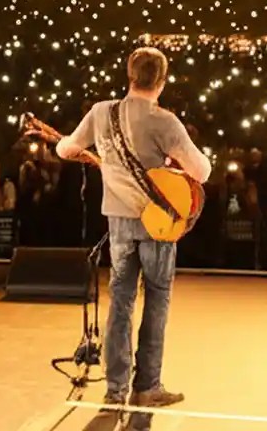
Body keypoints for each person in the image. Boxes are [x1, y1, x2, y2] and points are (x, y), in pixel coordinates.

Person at [54, 47, 212, 409]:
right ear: (162, 80)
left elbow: (66, 149)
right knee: (157, 301)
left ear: (129, 74)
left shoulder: (100, 113)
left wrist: (76, 145)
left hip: (119, 223)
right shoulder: (165, 121)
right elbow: (201, 172)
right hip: (157, 224)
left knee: (121, 304)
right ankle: (148, 385)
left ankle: (115, 389)